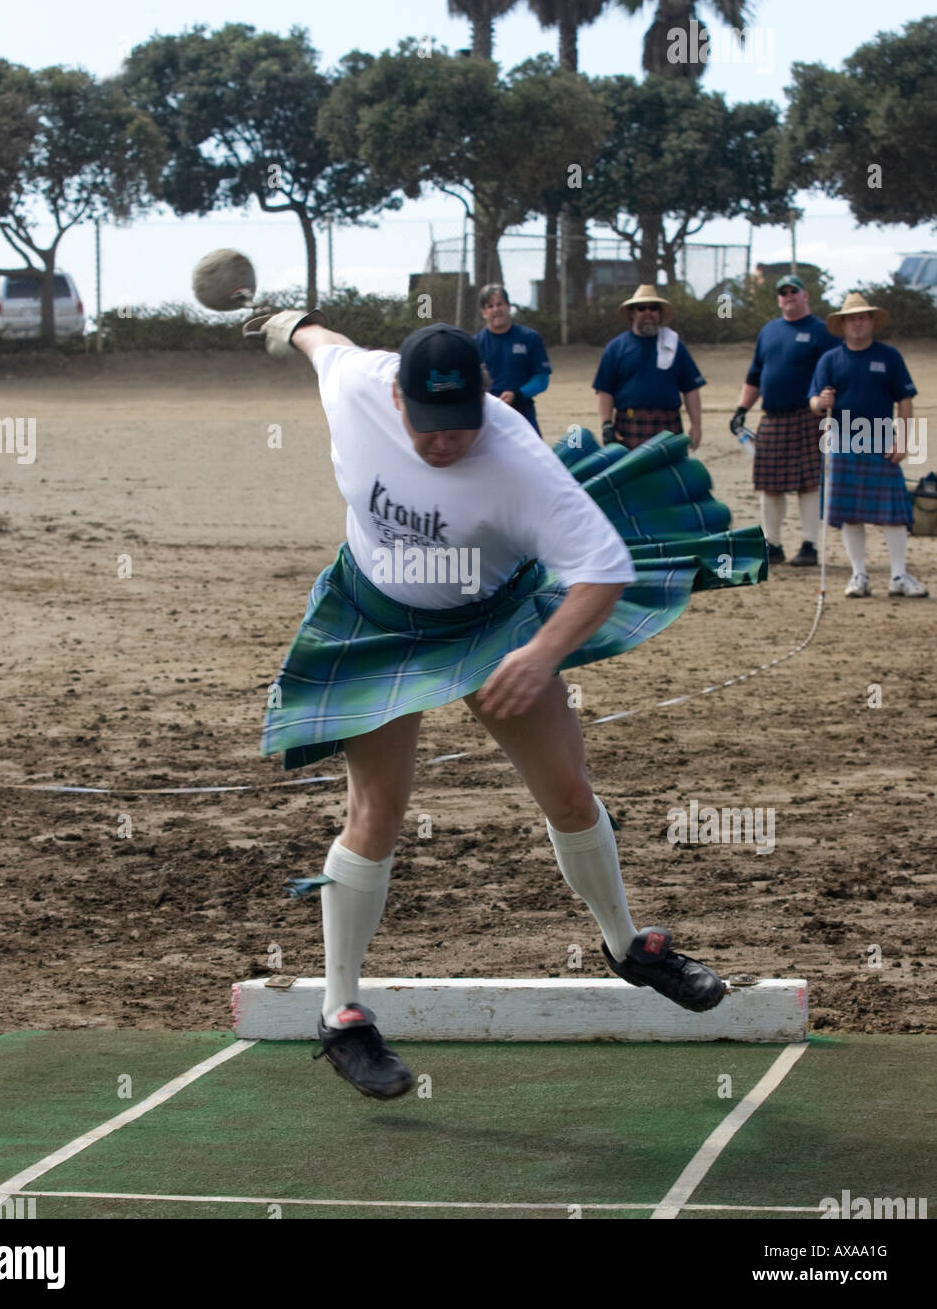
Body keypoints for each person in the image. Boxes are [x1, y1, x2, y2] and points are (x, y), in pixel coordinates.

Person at [251, 306, 729, 1101]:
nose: (446, 442)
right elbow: (322, 343)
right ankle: (341, 1015)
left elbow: (602, 571)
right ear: (396, 399)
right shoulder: (355, 384)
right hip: (377, 620)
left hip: (490, 622)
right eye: (429, 426)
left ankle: (626, 947)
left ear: (484, 396)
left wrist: (540, 654)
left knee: (567, 790)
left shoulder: (517, 458)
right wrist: (286, 321)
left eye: (462, 424)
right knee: (377, 811)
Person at [809, 292, 927, 598]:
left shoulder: (889, 357)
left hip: (882, 442)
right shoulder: (830, 359)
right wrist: (821, 402)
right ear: (844, 324)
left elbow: (905, 400)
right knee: (850, 514)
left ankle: (899, 576)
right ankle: (858, 575)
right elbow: (813, 401)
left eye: (862, 318)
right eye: (851, 319)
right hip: (843, 441)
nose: (857, 324)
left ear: (871, 322)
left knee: (895, 513)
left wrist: (903, 440)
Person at [730, 275, 839, 566]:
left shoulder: (821, 331)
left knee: (808, 483)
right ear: (778, 298)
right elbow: (755, 375)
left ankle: (809, 545)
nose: (788, 295)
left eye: (794, 290)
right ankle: (773, 544)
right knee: (770, 483)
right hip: (773, 417)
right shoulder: (769, 331)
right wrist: (741, 409)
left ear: (806, 295)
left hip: (807, 416)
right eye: (783, 292)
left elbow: (834, 373)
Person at [594, 285, 705, 452]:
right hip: (629, 425)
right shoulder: (616, 348)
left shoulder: (674, 346)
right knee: (632, 478)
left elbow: (691, 389)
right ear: (632, 313)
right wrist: (606, 425)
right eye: (641, 308)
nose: (648, 313)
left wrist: (696, 425)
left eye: (653, 308)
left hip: (668, 424)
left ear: (659, 314)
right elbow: (605, 390)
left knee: (669, 478)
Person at [474, 283, 551, 435]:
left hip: (523, 412)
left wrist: (518, 394)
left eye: (499, 304)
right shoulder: (474, 344)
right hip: (488, 416)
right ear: (484, 312)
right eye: (490, 306)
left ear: (508, 307)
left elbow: (542, 379)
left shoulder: (530, 338)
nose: (496, 309)